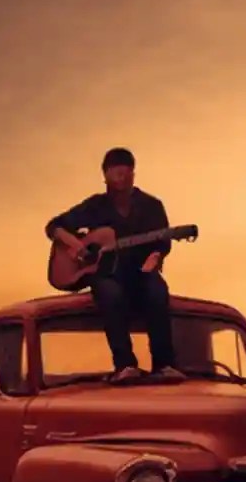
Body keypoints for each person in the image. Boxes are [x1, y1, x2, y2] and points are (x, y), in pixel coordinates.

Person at [44, 147, 184, 383]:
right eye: (115, 172)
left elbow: (163, 243)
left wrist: (157, 256)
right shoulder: (95, 206)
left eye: (126, 172)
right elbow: (54, 226)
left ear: (133, 174)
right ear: (105, 176)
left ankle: (164, 364)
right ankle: (125, 365)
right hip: (106, 273)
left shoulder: (151, 206)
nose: (121, 177)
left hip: (140, 271)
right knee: (109, 292)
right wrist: (77, 246)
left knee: (157, 291)